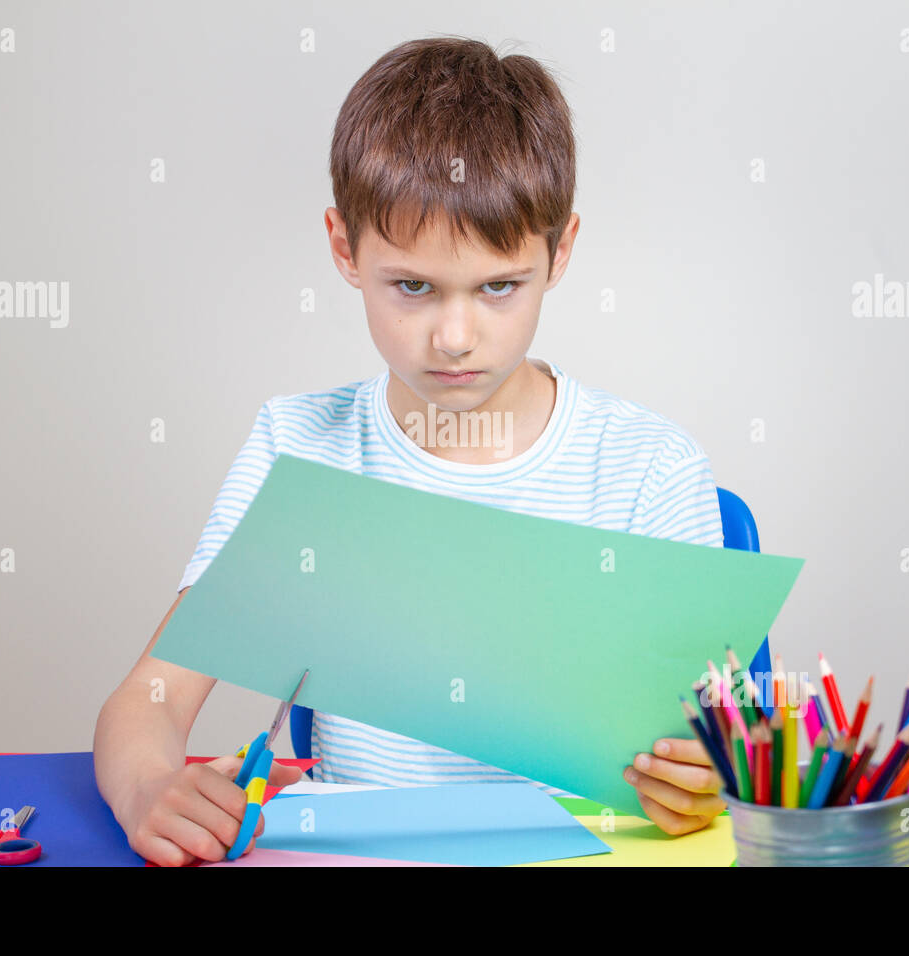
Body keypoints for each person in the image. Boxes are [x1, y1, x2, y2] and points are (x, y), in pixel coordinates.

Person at [95, 36, 727, 867]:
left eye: (499, 286)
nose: (455, 337)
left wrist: (701, 782)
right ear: (343, 248)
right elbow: (147, 702)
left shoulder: (651, 468)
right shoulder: (302, 452)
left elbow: (707, 764)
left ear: (560, 252)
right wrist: (148, 786)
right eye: (413, 286)